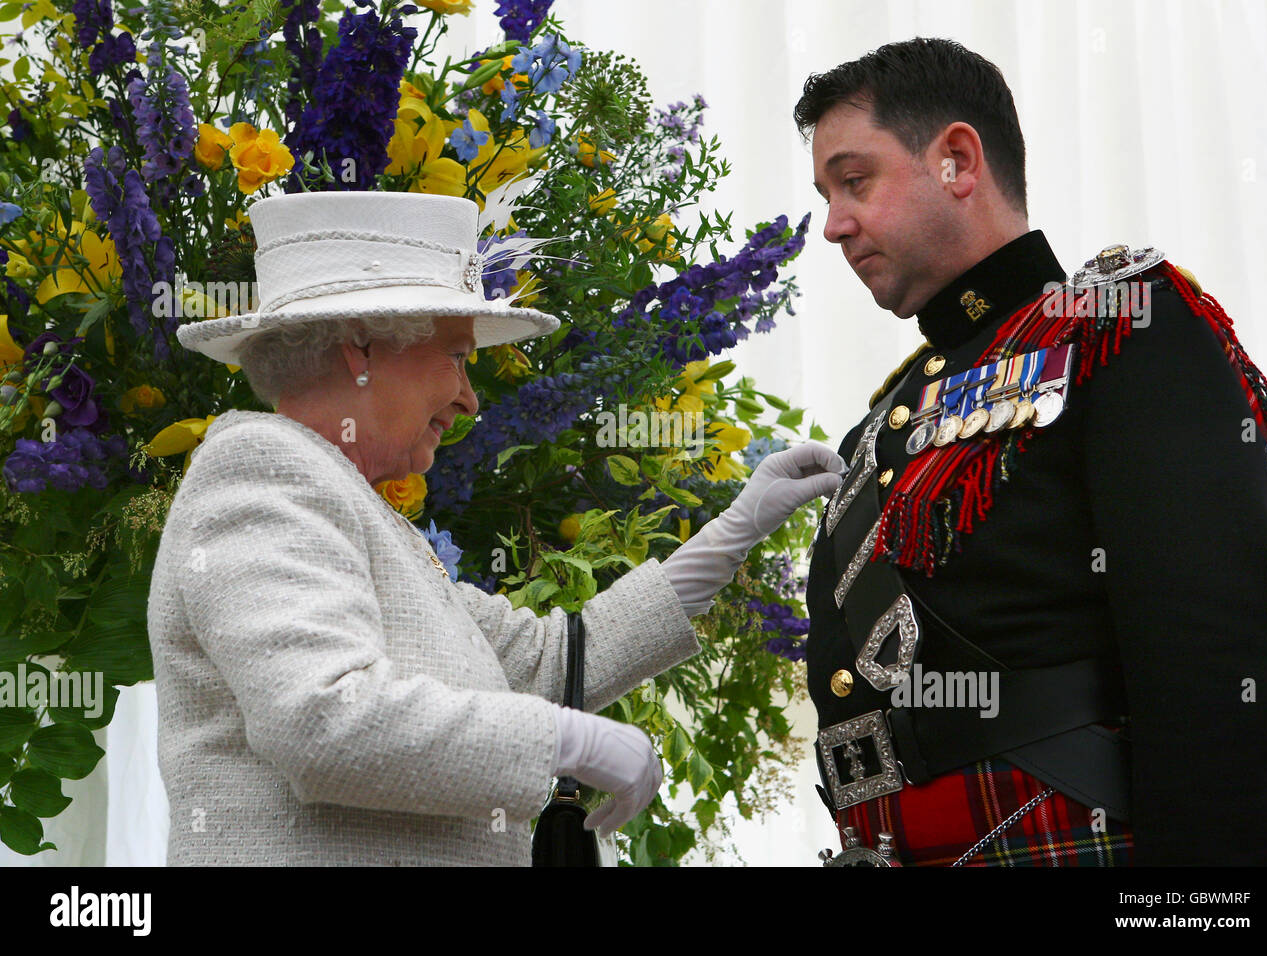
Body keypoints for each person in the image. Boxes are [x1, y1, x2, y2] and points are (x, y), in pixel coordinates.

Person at [148, 190, 844, 865]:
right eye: (456, 357)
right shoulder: (262, 468)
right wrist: (569, 743)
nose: (469, 397)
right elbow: (324, 721)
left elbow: (547, 662)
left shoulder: (342, 498)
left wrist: (733, 532)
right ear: (359, 349)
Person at [794, 37, 1267, 866]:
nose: (832, 224)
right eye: (825, 193)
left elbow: (1219, 669)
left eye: (855, 182)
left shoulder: (1119, 327)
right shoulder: (891, 410)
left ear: (958, 160)